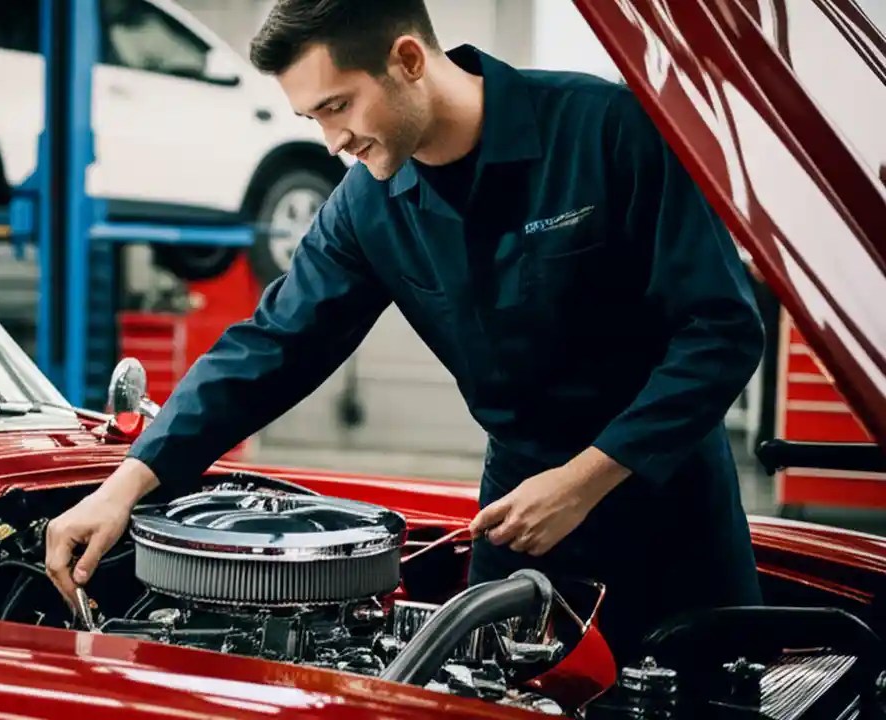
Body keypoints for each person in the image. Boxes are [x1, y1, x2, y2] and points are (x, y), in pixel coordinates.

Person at [45, 0, 765, 664]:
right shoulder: (367, 206)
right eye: (313, 120)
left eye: (338, 106)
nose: (331, 143)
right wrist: (128, 484)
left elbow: (723, 331)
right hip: (518, 510)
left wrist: (585, 480)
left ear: (409, 60)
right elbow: (271, 345)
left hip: (667, 499)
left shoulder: (607, 129)